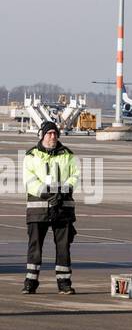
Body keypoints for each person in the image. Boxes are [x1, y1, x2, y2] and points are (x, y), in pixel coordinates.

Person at [23, 121, 80, 295]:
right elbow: (29, 180)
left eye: (55, 133)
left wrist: (62, 193)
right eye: (49, 134)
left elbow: (75, 176)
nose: (53, 136)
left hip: (63, 208)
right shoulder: (31, 156)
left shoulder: (68, 155)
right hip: (38, 208)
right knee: (35, 246)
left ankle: (64, 283)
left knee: (63, 246)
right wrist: (47, 194)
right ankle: (30, 282)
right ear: (42, 135)